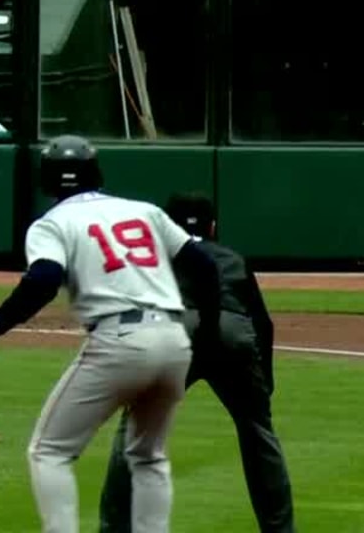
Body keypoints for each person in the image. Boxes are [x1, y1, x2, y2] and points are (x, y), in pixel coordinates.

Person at [0, 135, 222, 533]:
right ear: (97, 173)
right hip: (173, 339)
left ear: (47, 180)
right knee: (149, 457)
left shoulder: (51, 224)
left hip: (119, 342)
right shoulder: (143, 211)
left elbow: (42, 282)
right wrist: (206, 333)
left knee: (49, 451)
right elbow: (205, 266)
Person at [98, 193, 294, 533]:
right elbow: (262, 323)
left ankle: (113, 528)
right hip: (230, 331)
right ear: (213, 226)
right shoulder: (233, 258)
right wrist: (264, 386)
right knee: (257, 431)